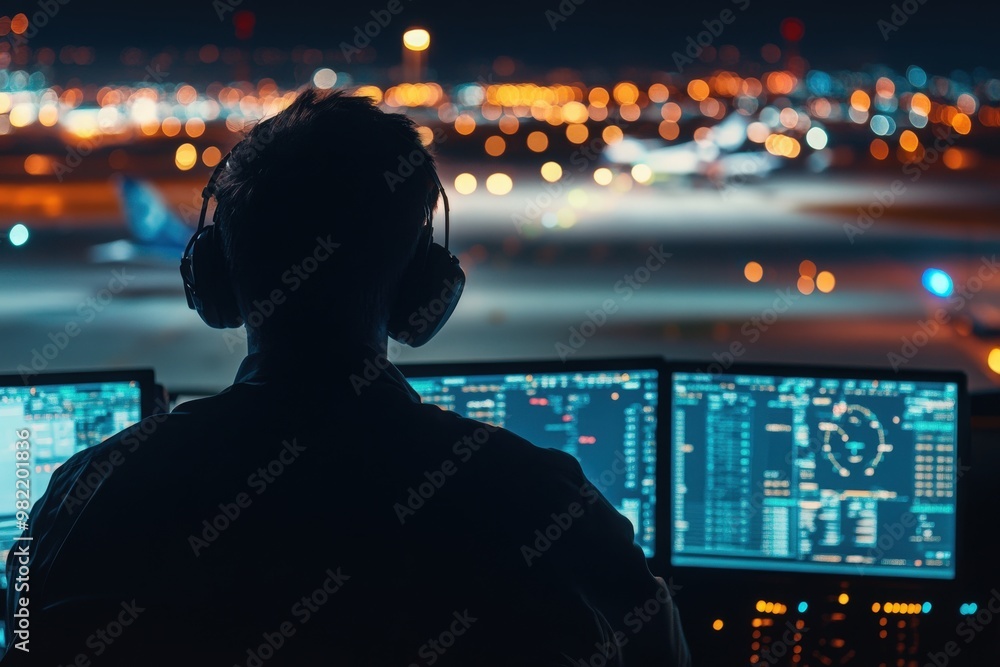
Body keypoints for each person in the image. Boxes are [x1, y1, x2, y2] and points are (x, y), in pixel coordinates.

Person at [3, 88, 691, 666]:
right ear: (424, 288)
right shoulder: (544, 505)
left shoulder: (82, 496)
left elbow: (25, 639)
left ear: (215, 280)